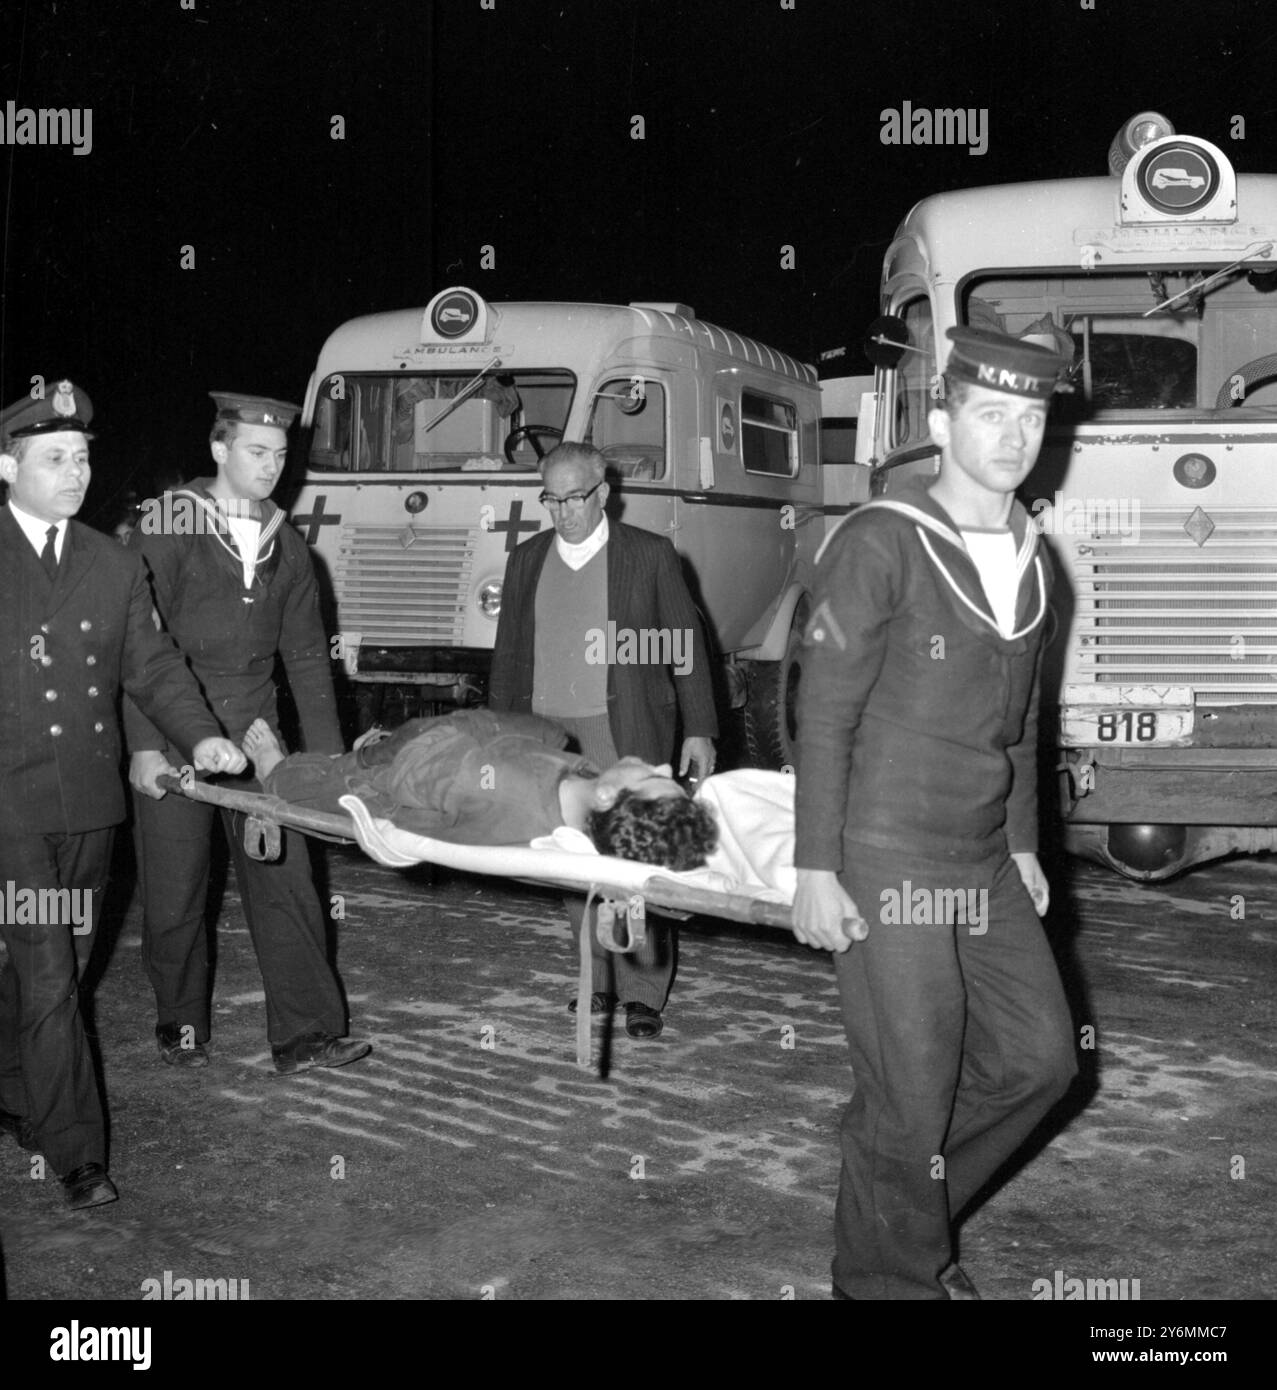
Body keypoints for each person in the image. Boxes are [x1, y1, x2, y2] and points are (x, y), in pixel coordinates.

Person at [792, 327, 1079, 1301]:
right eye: (990, 414)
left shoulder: (1038, 562)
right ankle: (887, 1277)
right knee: (910, 1086)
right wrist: (814, 867)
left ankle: (896, 1212)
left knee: (1041, 1059)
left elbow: (1025, 721)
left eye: (1030, 417)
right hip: (883, 852)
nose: (1011, 435)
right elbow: (820, 710)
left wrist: (1026, 841)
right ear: (941, 418)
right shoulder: (882, 539)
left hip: (982, 857)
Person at [0, 381, 246, 1210]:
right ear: (9, 464)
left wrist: (199, 732)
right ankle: (77, 1154)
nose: (75, 472)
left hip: (91, 807)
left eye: (82, 458)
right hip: (10, 807)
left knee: (58, 962)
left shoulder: (113, 561)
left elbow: (151, 665)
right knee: (49, 975)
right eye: (54, 458)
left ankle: (15, 1088)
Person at [124, 392, 369, 1076]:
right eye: (257, 452)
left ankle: (308, 1035)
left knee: (286, 882)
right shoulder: (169, 522)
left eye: (281, 455)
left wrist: (319, 768)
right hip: (175, 736)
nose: (271, 467)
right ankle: (181, 1025)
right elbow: (139, 644)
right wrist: (144, 744)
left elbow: (307, 663)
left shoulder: (288, 547)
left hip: (258, 740)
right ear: (219, 449)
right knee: (176, 893)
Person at [489, 442, 717, 1039]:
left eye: (574, 498)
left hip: (624, 730)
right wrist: (499, 735)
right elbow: (509, 655)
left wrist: (700, 727)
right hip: (551, 735)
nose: (563, 512)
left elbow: (684, 646)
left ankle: (643, 992)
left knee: (636, 859)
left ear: (603, 493)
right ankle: (596, 983)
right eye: (551, 499)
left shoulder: (648, 556)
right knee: (571, 861)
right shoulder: (526, 560)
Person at [239, 709, 718, 869]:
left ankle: (276, 769)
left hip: (381, 781)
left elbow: (410, 766)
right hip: (453, 761)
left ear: (611, 799)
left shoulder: (500, 788)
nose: (658, 763)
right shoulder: (583, 795)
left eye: (654, 777)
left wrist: (480, 725)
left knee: (342, 771)